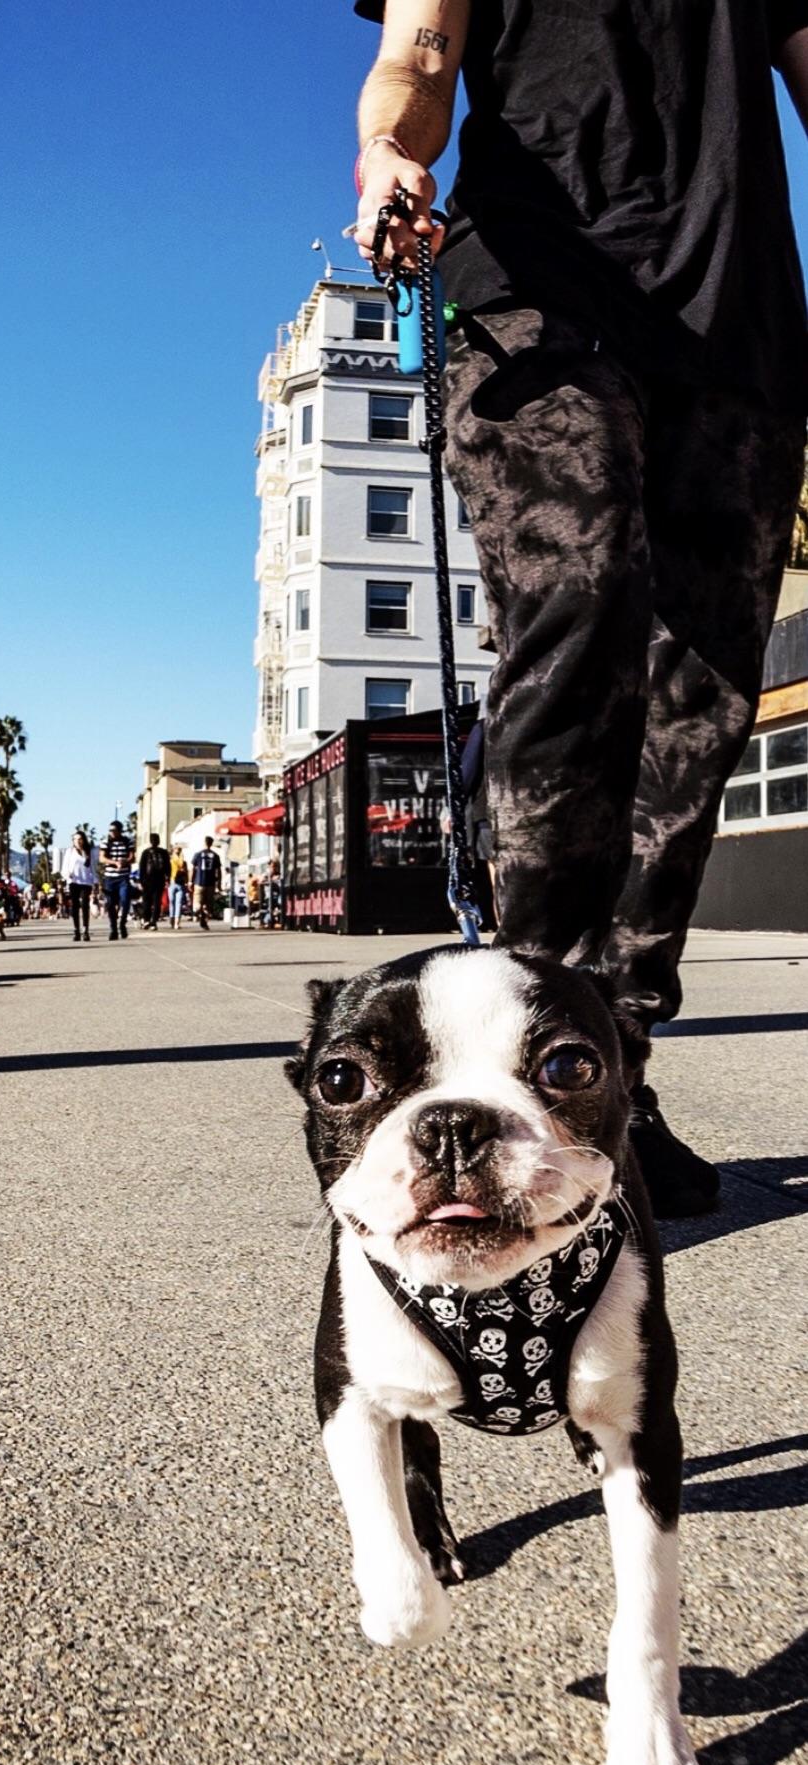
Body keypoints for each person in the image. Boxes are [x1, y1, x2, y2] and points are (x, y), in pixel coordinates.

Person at [348, 1, 808, 1216]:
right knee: (581, 607)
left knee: (702, 703)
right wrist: (390, 153)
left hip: (742, 327)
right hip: (536, 293)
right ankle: (520, 1063)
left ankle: (608, 1074)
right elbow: (418, 53)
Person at [100, 819, 134, 940]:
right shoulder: (106, 842)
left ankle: (122, 923)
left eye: (114, 830)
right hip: (110, 878)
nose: (111, 832)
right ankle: (113, 928)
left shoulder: (127, 841)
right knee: (110, 904)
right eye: (110, 830)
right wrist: (114, 862)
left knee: (125, 900)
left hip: (123, 877)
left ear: (120, 831)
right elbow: (102, 858)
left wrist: (125, 861)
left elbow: (132, 857)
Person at [61, 828, 96, 941]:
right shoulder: (70, 851)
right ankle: (76, 930)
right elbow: (64, 867)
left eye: (80, 839)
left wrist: (95, 882)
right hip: (74, 882)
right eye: (75, 839)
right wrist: (67, 875)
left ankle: (85, 930)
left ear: (83, 840)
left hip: (86, 882)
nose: (77, 841)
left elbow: (93, 868)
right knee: (75, 906)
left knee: (85, 904)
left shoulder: (89, 852)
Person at [138, 832, 171, 931]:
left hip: (147, 880)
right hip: (159, 880)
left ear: (150, 841)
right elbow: (168, 867)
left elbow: (142, 867)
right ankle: (154, 921)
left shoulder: (145, 852)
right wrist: (167, 878)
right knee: (157, 901)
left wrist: (141, 880)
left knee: (146, 901)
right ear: (159, 841)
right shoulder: (164, 852)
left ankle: (146, 920)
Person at [191, 836, 222, 931]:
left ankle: (199, 912)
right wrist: (219, 883)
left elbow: (193, 869)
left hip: (199, 882)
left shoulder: (198, 854)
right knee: (208, 904)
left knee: (198, 903)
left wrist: (191, 881)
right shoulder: (215, 856)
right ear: (211, 843)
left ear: (204, 843)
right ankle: (204, 917)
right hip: (210, 883)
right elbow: (218, 871)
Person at [168, 844, 188, 929]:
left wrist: (187, 881)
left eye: (179, 849)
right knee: (174, 903)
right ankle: (174, 921)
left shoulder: (179, 861)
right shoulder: (172, 860)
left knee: (176, 903)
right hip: (175, 882)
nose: (178, 850)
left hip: (177, 883)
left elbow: (186, 872)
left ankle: (175, 922)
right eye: (177, 849)